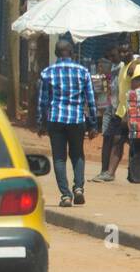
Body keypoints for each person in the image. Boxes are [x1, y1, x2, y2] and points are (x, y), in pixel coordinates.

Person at [37, 38, 99, 207]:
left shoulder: (47, 73)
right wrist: (93, 124)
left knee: (59, 158)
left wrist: (41, 123)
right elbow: (91, 101)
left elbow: (43, 102)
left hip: (55, 119)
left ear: (56, 54)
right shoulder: (83, 72)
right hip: (77, 119)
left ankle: (65, 195)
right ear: (72, 53)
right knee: (77, 154)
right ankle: (78, 188)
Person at [97, 46, 140, 182]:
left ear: (131, 52)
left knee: (133, 143)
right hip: (120, 111)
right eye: (121, 51)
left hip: (133, 112)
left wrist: (129, 113)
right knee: (116, 140)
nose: (123, 54)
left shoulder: (136, 68)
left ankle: (137, 173)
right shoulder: (123, 66)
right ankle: (109, 173)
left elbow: (137, 92)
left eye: (125, 51)